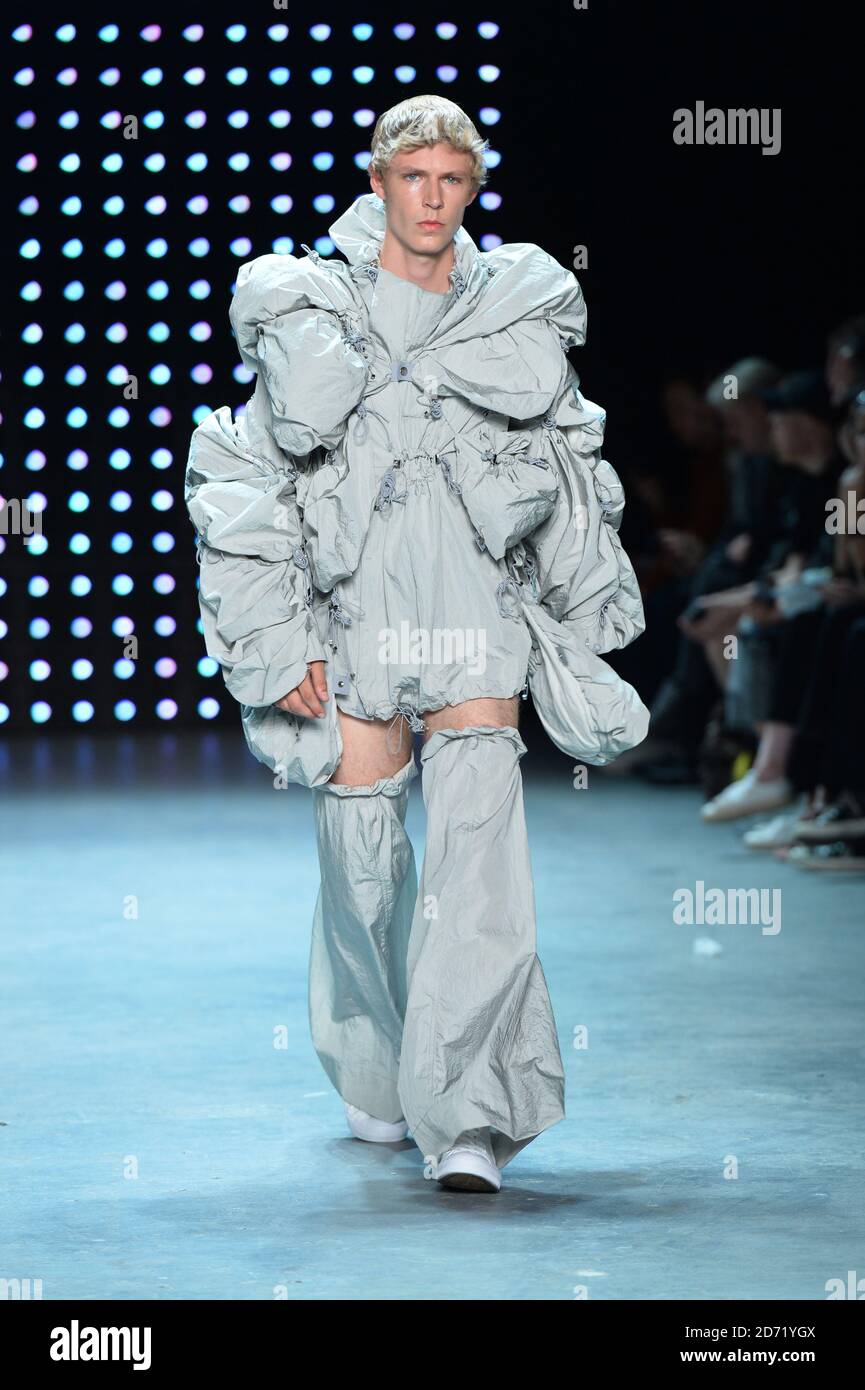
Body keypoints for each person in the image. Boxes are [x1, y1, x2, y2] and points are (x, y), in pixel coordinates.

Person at [184, 95, 645, 1194]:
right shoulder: (311, 304)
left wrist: (573, 620)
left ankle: (471, 1111)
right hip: (353, 612)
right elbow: (251, 477)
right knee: (362, 860)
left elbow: (573, 466)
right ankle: (374, 1051)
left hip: (473, 606)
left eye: (451, 180)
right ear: (380, 181)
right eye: (413, 178)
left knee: (478, 861)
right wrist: (272, 634)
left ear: (471, 188)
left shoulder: (514, 310)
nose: (432, 199)